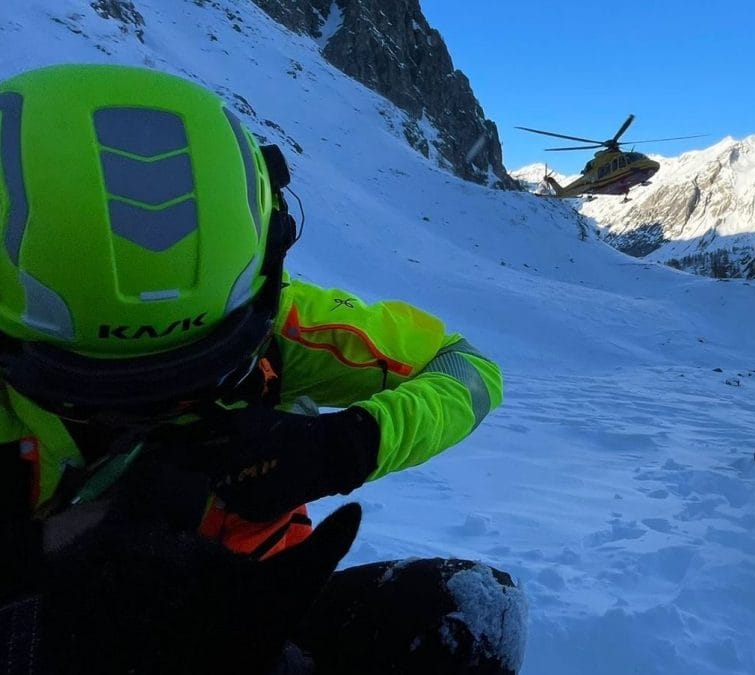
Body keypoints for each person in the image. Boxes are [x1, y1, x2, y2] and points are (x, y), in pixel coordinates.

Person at [0, 64, 523, 673]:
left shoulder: (283, 323)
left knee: (468, 614)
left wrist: (348, 444)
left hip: (265, 614)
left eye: (200, 368)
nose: (153, 403)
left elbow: (466, 367)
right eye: (82, 383)